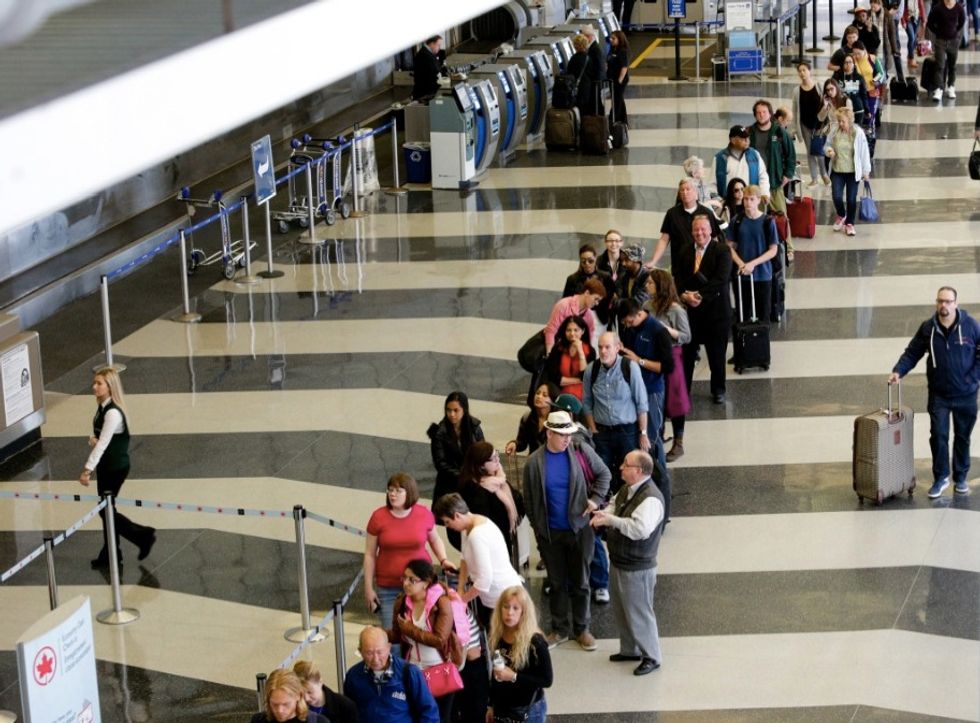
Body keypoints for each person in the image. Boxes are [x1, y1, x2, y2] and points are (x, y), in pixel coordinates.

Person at [522, 411, 610, 651]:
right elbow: (529, 499)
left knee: (581, 581)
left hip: (580, 530)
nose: (567, 440)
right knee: (557, 583)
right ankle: (560, 628)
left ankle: (582, 628)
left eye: (569, 435)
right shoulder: (534, 463)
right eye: (562, 436)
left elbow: (604, 474)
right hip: (551, 533)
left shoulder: (581, 451)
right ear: (549, 434)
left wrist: (594, 500)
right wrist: (538, 528)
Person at [888, 287, 979, 499]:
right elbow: (912, 352)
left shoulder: (971, 326)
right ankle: (941, 477)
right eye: (940, 301)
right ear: (936, 303)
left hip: (966, 395)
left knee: (962, 437)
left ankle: (961, 477)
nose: (944, 305)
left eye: (948, 301)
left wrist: (974, 377)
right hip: (939, 395)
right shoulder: (929, 328)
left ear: (956, 303)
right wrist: (898, 371)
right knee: (938, 436)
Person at [581, 331, 647, 604]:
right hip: (603, 433)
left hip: (627, 430)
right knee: (604, 476)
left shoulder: (630, 369)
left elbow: (641, 401)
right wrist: (594, 429)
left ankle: (627, 517)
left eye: (608, 346)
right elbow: (587, 402)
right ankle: (608, 518)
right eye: (600, 346)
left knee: (629, 476)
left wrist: (643, 432)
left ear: (618, 348)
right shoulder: (591, 371)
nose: (604, 351)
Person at [590, 450, 665, 677]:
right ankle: (630, 649)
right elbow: (614, 505)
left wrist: (610, 520)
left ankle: (651, 655)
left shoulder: (650, 498)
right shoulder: (626, 490)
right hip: (620, 561)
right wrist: (603, 514)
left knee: (640, 612)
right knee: (623, 609)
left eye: (626, 464)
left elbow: (639, 529)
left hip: (638, 567)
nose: (621, 467)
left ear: (639, 471)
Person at [80, 367, 155, 569]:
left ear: (110, 386)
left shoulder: (112, 412)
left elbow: (104, 443)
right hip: (108, 466)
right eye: (94, 383)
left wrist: (87, 469)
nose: (94, 386)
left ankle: (142, 535)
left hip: (114, 468)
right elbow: (105, 440)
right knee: (106, 509)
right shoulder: (103, 407)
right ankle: (112, 553)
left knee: (105, 511)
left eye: (99, 383)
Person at [364, 473, 455, 628]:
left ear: (410, 493)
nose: (393, 494)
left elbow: (434, 539)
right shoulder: (378, 517)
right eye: (390, 490)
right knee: (393, 636)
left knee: (422, 631)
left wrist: (443, 559)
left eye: (398, 491)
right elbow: (370, 554)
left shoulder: (424, 514)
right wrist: (368, 588)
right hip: (389, 587)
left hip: (421, 586)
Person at [388, 559, 465, 723]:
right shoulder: (401, 602)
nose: (406, 583)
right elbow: (396, 635)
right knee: (416, 715)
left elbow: (439, 639)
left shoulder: (441, 602)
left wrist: (409, 629)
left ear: (426, 583)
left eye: (412, 580)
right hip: (414, 669)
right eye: (404, 578)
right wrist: (377, 633)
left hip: (440, 669)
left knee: (441, 717)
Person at [434, 493, 523, 627]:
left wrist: (462, 600)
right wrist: (460, 589)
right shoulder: (468, 527)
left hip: (502, 596)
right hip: (490, 596)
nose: (447, 526)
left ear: (457, 515)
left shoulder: (478, 535)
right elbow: (464, 558)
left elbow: (484, 581)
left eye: (447, 521)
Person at [675, 214, 734, 405]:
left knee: (717, 355)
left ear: (710, 230)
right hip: (690, 314)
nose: (699, 233)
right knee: (687, 355)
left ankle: (718, 389)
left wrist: (698, 296)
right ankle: (684, 391)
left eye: (703, 229)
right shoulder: (684, 251)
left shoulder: (722, 250)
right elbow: (677, 277)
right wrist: (684, 295)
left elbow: (721, 279)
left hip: (716, 313)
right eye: (696, 230)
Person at [619, 300, 674, 471]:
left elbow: (667, 367)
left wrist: (639, 361)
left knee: (652, 439)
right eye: (625, 322)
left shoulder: (659, 331)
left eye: (630, 321)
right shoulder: (630, 329)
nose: (628, 325)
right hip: (631, 390)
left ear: (639, 313)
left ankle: (660, 481)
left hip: (652, 391)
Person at [643, 270, 692, 462]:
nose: (647, 286)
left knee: (675, 399)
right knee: (656, 400)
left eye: (650, 283)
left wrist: (667, 330)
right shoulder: (647, 305)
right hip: (653, 355)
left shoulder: (676, 309)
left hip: (672, 355)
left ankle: (678, 442)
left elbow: (686, 336)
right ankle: (658, 438)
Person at [343, 626, 439, 723]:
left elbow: (429, 712)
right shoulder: (353, 676)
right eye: (369, 653)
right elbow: (347, 713)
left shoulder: (409, 673)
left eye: (379, 652)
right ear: (360, 651)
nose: (375, 659)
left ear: (389, 648)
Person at [487, 585, 553, 723]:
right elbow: (496, 676)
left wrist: (513, 677)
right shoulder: (497, 636)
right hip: (503, 708)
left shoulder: (536, 642)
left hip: (528, 709)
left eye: (515, 608)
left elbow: (546, 680)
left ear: (524, 612)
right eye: (506, 606)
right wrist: (491, 705)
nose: (509, 613)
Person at [428, 390, 485, 546]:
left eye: (456, 410)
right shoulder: (439, 432)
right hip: (450, 485)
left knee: (474, 524)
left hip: (472, 485)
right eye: (448, 410)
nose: (452, 414)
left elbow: (482, 452)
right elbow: (441, 464)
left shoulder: (474, 427)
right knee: (453, 529)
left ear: (464, 410)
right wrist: (464, 475)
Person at [458, 442, 524, 561]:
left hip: (504, 539)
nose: (498, 460)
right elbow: (483, 520)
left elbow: (519, 503)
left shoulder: (498, 478)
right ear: (481, 465)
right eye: (493, 458)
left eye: (497, 455)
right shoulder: (474, 490)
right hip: (488, 545)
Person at [648, 179, 726, 276]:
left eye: (688, 189)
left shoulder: (706, 213)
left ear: (695, 192)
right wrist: (653, 261)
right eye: (682, 190)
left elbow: (714, 239)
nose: (685, 192)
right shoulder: (672, 214)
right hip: (680, 267)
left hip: (703, 266)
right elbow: (664, 239)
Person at [726, 184, 779, 325]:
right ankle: (744, 344)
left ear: (758, 200)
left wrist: (752, 263)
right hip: (742, 275)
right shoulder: (736, 221)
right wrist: (741, 264)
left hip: (763, 275)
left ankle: (762, 345)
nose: (748, 203)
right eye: (746, 199)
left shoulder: (768, 222)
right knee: (743, 313)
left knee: (764, 315)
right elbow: (729, 247)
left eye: (751, 199)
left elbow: (773, 250)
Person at [748, 99, 795, 254]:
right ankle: (760, 247)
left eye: (764, 112)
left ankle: (788, 248)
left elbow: (791, 155)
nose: (761, 115)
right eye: (758, 113)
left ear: (770, 114)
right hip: (755, 186)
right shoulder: (749, 133)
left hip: (774, 183)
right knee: (755, 217)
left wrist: (787, 175)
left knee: (781, 216)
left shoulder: (779, 132)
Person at [824, 107, 872, 237]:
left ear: (850, 121)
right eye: (839, 121)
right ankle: (841, 214)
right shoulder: (834, 131)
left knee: (851, 199)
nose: (840, 124)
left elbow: (864, 153)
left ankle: (849, 223)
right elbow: (827, 145)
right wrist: (829, 151)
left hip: (852, 172)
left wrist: (866, 171)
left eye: (842, 121)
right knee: (836, 196)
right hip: (837, 170)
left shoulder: (858, 133)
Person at [714, 127, 770, 212]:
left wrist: (764, 192)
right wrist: (718, 201)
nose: (747, 141)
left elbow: (763, 175)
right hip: (729, 206)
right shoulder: (720, 158)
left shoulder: (755, 155)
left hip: (750, 202)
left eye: (748, 138)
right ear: (733, 140)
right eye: (743, 138)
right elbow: (712, 183)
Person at [543, 278, 605, 354]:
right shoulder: (563, 305)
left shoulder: (589, 316)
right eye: (596, 299)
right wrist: (550, 354)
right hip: (557, 350)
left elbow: (588, 339)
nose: (597, 303)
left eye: (599, 301)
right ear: (587, 293)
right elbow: (551, 331)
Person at [544, 315, 596, 401]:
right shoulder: (558, 349)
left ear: (582, 331)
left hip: (583, 392)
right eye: (568, 330)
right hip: (559, 389)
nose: (572, 334)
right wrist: (577, 380)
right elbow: (554, 377)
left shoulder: (590, 351)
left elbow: (585, 377)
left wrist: (580, 352)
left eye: (576, 330)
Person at [791, 62, 826, 187]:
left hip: (819, 125)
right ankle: (814, 178)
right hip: (805, 125)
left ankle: (824, 175)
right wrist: (795, 128)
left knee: (820, 150)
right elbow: (795, 110)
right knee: (810, 152)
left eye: (804, 70)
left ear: (809, 71)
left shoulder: (819, 86)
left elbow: (826, 102)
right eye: (800, 71)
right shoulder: (797, 91)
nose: (802, 73)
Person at [293, 660, 359, 723]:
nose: (306, 698)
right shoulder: (293, 707)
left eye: (310, 692)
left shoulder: (346, 707)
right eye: (301, 693)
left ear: (320, 682)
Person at [505, 382, 560, 457]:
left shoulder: (558, 421)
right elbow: (522, 444)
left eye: (545, 395)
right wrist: (514, 444)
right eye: (537, 393)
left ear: (552, 401)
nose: (539, 397)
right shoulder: (527, 417)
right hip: (533, 462)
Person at [252, 669, 328, 723]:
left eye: (286, 704)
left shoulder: (319, 721)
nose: (280, 710)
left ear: (298, 696)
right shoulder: (258, 720)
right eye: (275, 704)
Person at [926, 0, 967, 101]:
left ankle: (951, 86)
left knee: (952, 66)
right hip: (940, 41)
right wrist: (938, 32)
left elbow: (962, 22)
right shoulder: (938, 7)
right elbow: (930, 22)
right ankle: (939, 88)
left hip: (953, 41)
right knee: (940, 65)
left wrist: (955, 33)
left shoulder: (959, 8)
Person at [565, 34, 601, 118]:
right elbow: (593, 73)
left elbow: (569, 74)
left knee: (578, 111)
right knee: (586, 111)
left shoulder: (573, 59)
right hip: (587, 88)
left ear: (575, 46)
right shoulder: (588, 58)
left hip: (576, 89)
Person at [832, 55, 869, 131]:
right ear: (842, 64)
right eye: (845, 62)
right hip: (842, 111)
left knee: (855, 133)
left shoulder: (859, 77)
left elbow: (864, 94)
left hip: (857, 109)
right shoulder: (837, 76)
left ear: (853, 64)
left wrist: (867, 110)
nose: (848, 64)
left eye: (850, 62)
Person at [607, 30, 630, 127]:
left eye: (613, 38)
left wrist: (619, 80)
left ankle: (613, 118)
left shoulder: (622, 51)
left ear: (619, 39)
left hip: (619, 79)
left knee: (617, 99)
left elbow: (624, 67)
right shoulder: (613, 49)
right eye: (611, 38)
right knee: (618, 98)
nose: (611, 40)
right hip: (612, 78)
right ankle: (624, 120)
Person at [617, 244, 650, 309]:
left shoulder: (648, 277)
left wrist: (619, 302)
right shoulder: (624, 276)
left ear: (637, 260)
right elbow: (619, 294)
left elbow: (640, 300)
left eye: (627, 260)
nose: (623, 263)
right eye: (622, 260)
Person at [412, 35, 445, 101]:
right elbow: (433, 73)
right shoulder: (424, 55)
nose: (439, 48)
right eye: (438, 45)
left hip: (428, 93)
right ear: (432, 44)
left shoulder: (429, 54)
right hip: (424, 95)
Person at [901, 0, 926, 70]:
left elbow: (921, 6)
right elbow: (902, 9)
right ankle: (911, 59)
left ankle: (909, 56)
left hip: (916, 19)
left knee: (914, 39)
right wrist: (903, 22)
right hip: (908, 19)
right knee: (911, 37)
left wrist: (924, 20)